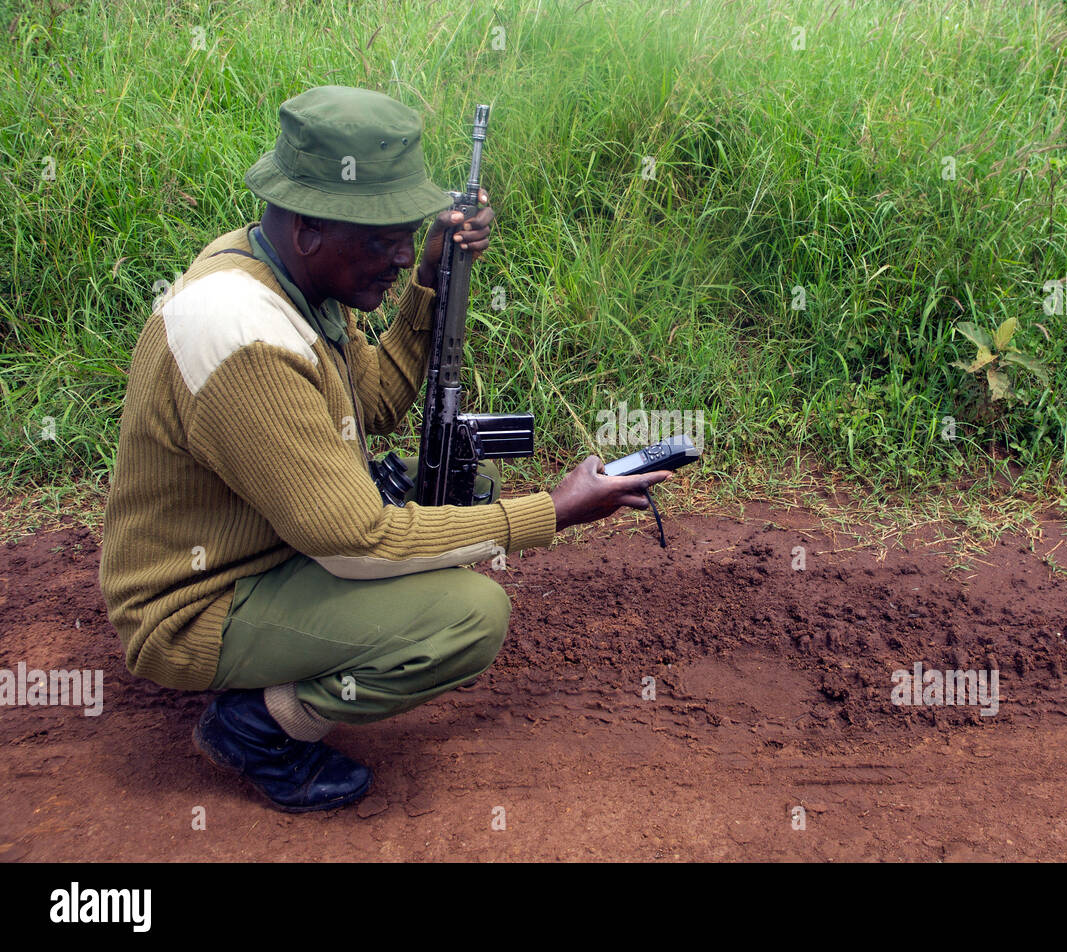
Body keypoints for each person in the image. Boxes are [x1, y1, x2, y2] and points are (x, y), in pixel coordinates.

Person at [98, 85, 670, 813]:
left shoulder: (283, 273)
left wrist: (432, 280)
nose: (401, 254)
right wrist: (549, 512)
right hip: (193, 605)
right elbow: (356, 543)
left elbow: (369, 404)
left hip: (270, 553)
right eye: (382, 239)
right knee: (467, 616)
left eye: (408, 233)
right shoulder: (243, 334)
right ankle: (256, 726)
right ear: (308, 227)